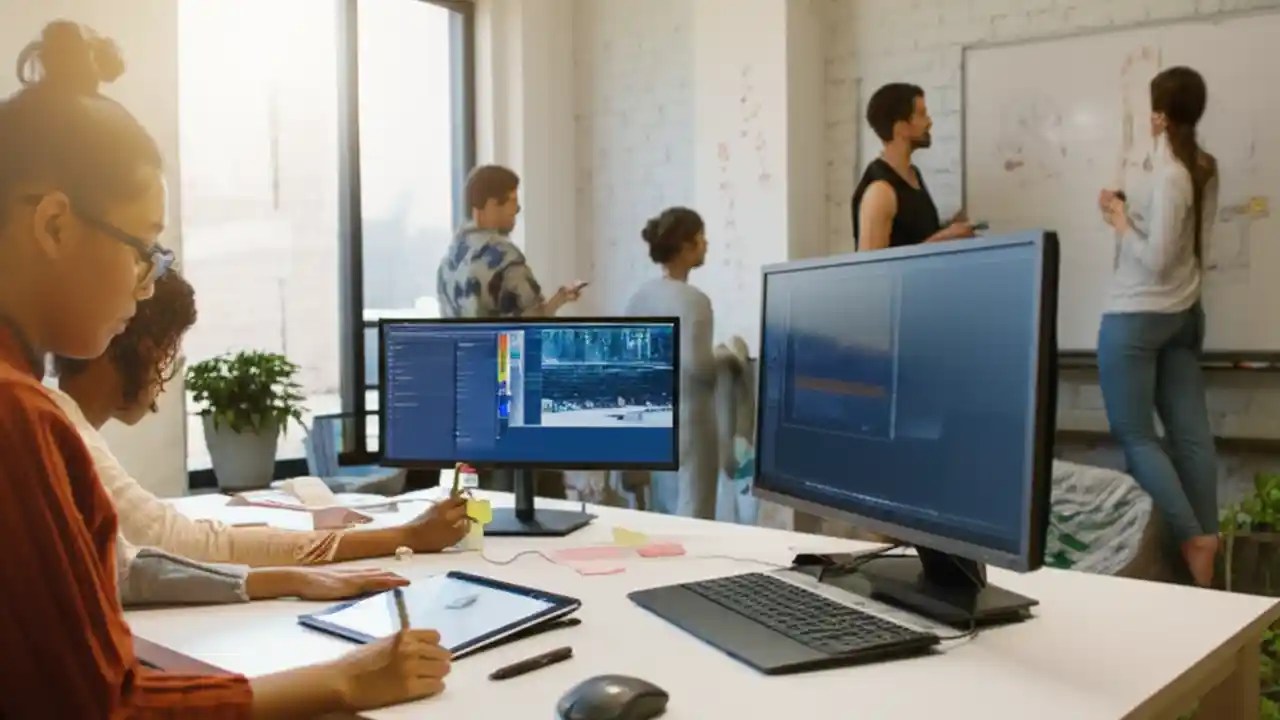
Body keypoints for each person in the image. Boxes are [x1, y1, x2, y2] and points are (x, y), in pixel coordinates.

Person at [0, 21, 449, 717]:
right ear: (55, 226)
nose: (145, 286)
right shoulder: (17, 416)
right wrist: (342, 681)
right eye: (143, 248)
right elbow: (102, 707)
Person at [53, 269, 470, 567]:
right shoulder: (66, 433)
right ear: (145, 348)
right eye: (170, 351)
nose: (169, 370)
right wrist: (405, 537)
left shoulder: (64, 421)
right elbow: (190, 547)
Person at [1097, 66, 1220, 587]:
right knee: (1191, 435)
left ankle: (1191, 536)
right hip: (1182, 315)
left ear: (1161, 115)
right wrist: (1130, 208)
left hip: (1138, 316)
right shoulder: (1200, 166)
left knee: (1136, 435)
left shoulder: (1171, 176)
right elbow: (1183, 247)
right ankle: (1207, 538)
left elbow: (1155, 261)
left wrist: (1120, 221)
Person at [625, 208, 717, 519]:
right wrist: (729, 359)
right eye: (701, 239)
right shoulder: (694, 300)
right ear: (687, 247)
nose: (706, 245)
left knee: (660, 516)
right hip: (690, 424)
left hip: (652, 423)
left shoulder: (640, 297)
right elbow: (700, 366)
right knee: (695, 517)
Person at [437, 164, 584, 318]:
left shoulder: (449, 261)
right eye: (512, 201)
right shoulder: (505, 257)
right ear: (492, 205)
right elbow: (533, 322)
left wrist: (559, 299)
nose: (517, 209)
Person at [852, 83, 975, 251]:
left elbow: (913, 240)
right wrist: (944, 239)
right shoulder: (880, 192)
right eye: (922, 115)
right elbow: (871, 270)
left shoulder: (912, 175)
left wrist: (949, 230)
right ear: (901, 128)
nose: (929, 122)